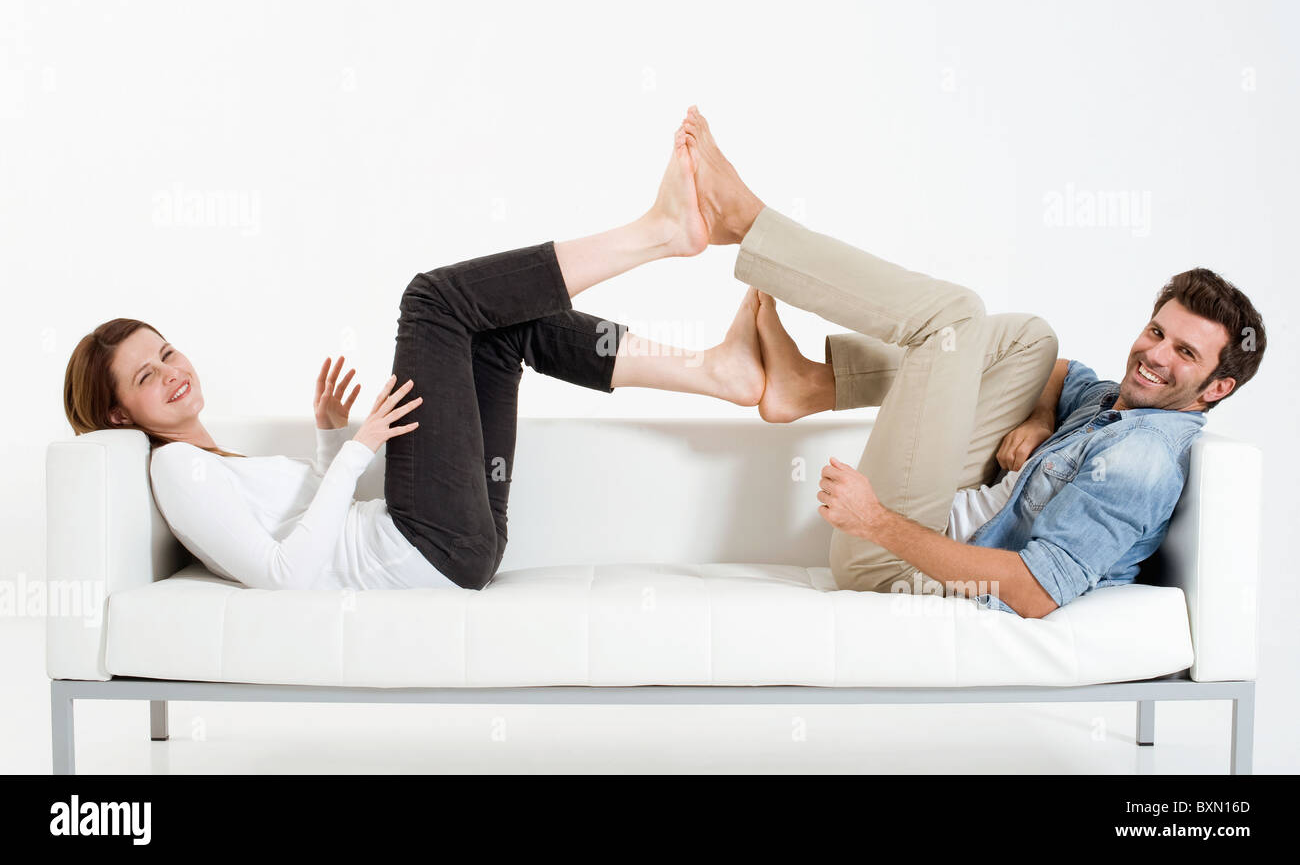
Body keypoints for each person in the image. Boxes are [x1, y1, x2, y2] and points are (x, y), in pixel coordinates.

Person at [62, 120, 767, 591]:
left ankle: (716, 371)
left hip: (452, 545)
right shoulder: (176, 468)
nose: (174, 372)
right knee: (433, 299)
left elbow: (306, 525)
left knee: (502, 327)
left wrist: (333, 435)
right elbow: (287, 574)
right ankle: (660, 232)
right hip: (425, 546)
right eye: (148, 376)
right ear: (121, 412)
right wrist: (355, 451)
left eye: (168, 351)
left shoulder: (203, 460)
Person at [676, 105, 1268, 618]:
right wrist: (1039, 419)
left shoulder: (1140, 458)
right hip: (938, 510)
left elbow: (1035, 593)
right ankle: (808, 385)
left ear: (1216, 388)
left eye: (1184, 353)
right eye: (1156, 331)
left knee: (955, 316)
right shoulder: (1121, 407)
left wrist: (876, 521)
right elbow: (1058, 368)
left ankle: (748, 223)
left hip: (898, 564)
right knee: (1032, 338)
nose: (1153, 355)